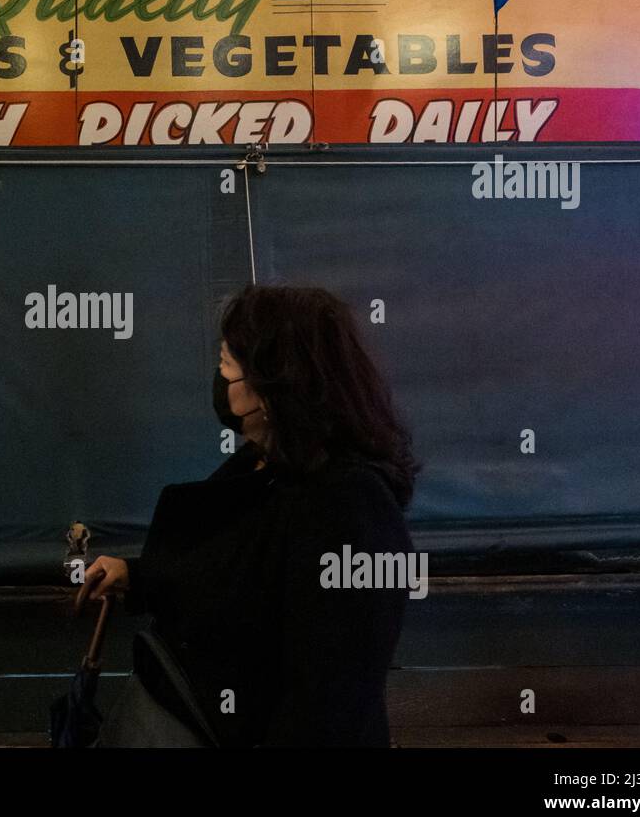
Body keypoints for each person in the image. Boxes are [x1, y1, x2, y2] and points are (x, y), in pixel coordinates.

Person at [79, 284, 422, 747]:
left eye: (226, 364)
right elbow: (239, 574)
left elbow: (330, 698)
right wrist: (137, 577)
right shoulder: (267, 464)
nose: (219, 378)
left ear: (274, 382)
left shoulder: (351, 507)